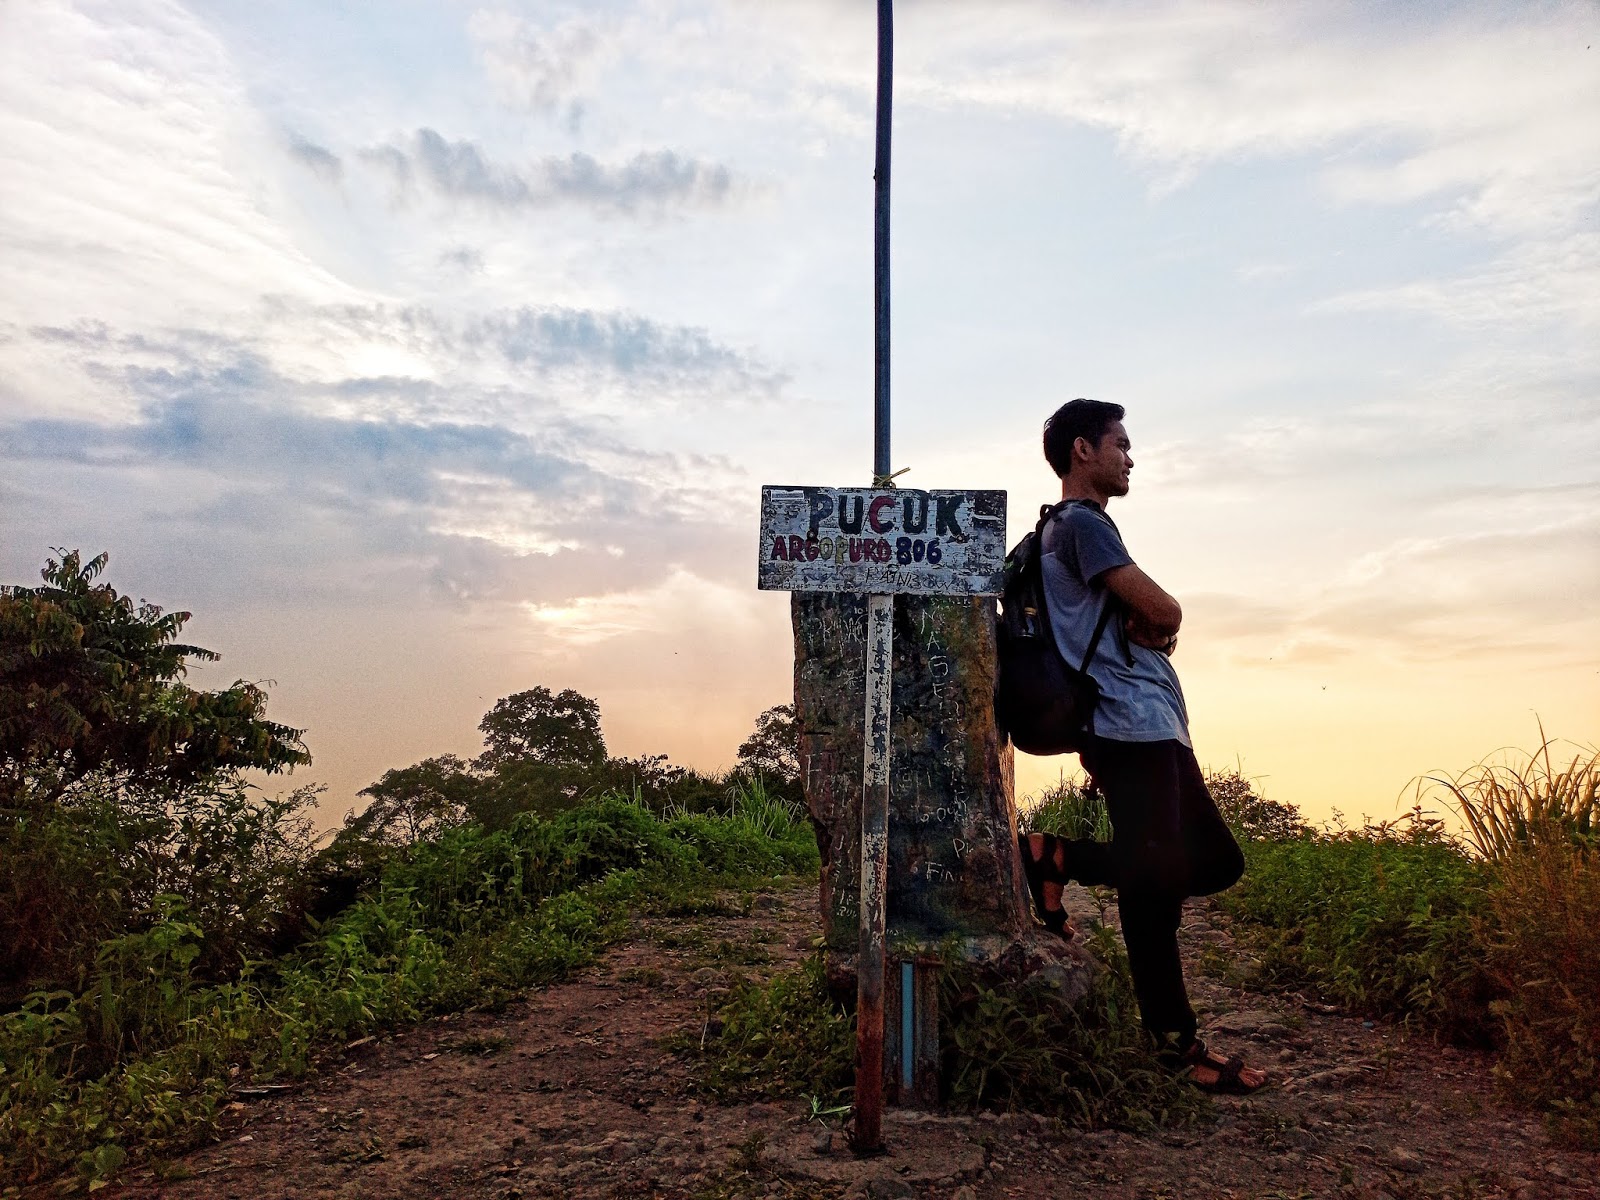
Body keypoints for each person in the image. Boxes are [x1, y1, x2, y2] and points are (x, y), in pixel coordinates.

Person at [1017, 397, 1266, 1094]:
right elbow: (1164, 611)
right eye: (1120, 444)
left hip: (1144, 723)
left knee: (1212, 859)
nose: (1131, 456)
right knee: (1155, 883)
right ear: (1082, 452)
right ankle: (1176, 1046)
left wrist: (1152, 628)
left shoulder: (1067, 531)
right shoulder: (1085, 526)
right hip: (1129, 721)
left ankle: (1057, 857)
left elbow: (1142, 623)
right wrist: (1164, 621)